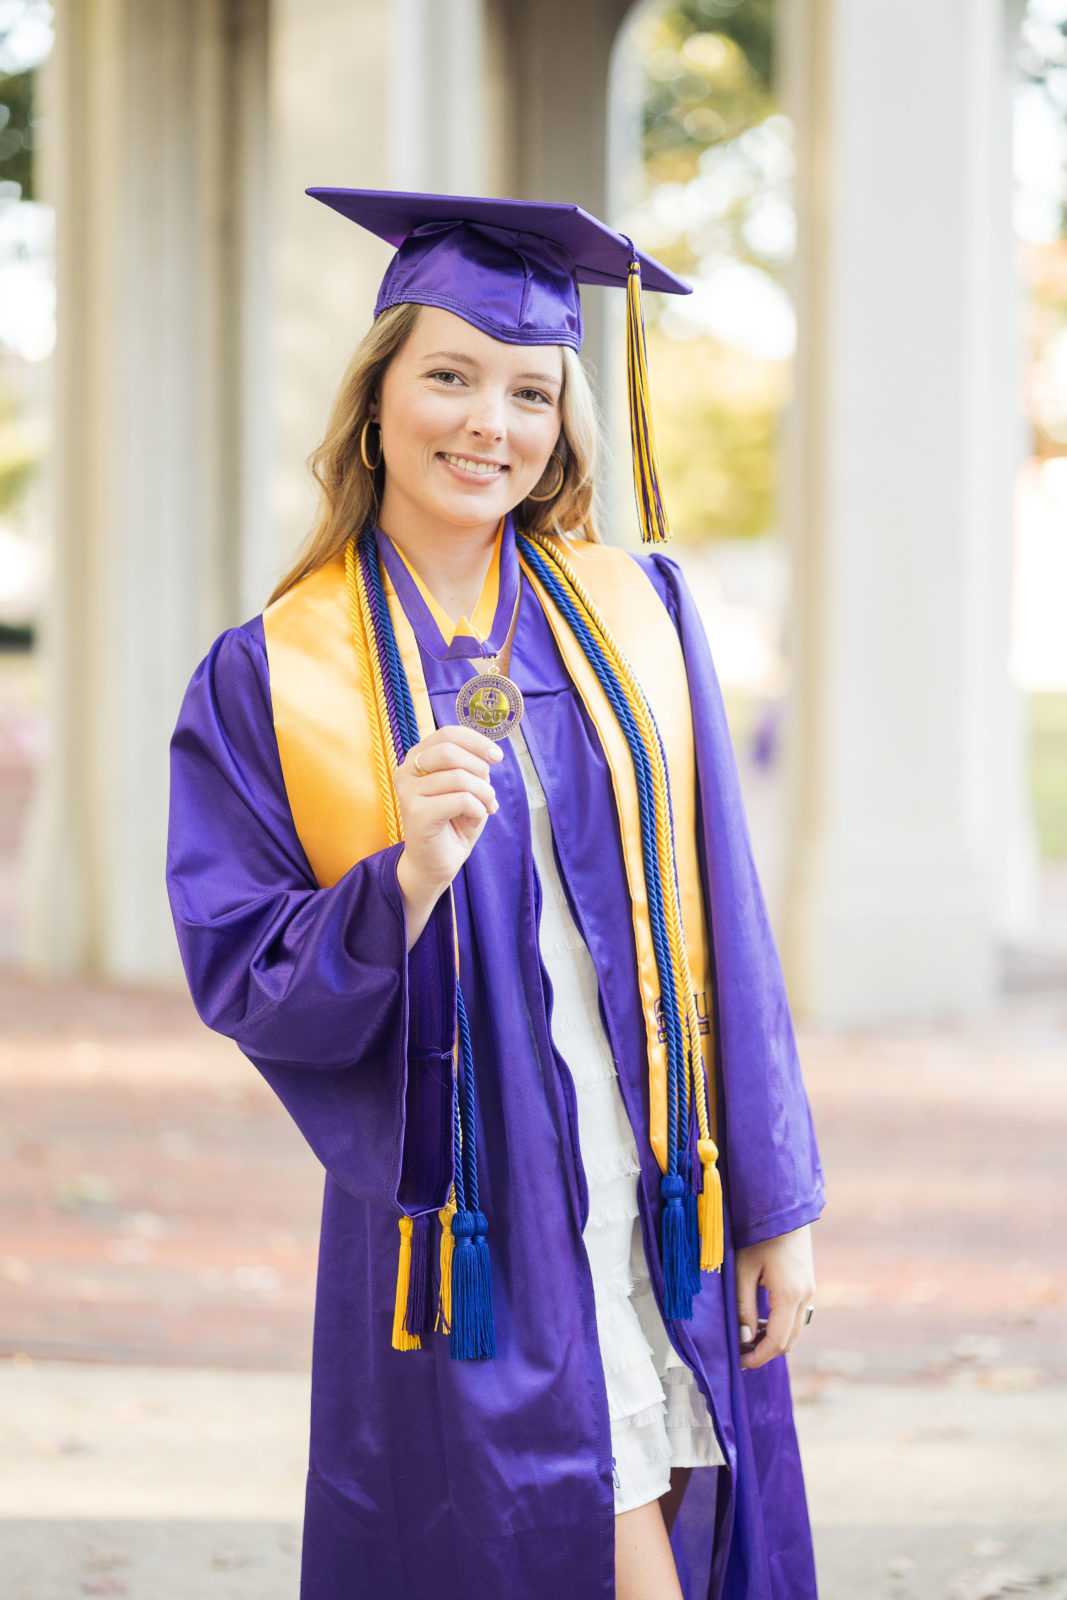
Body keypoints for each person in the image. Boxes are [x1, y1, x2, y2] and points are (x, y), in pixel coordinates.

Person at [166, 189, 824, 1600]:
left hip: (657, 1179)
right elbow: (242, 964)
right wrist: (397, 876)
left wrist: (776, 1197)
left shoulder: (637, 616)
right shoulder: (272, 675)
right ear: (377, 398)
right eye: (450, 376)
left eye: (530, 391)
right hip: (469, 1218)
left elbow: (731, 912)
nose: (490, 424)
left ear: (563, 424)